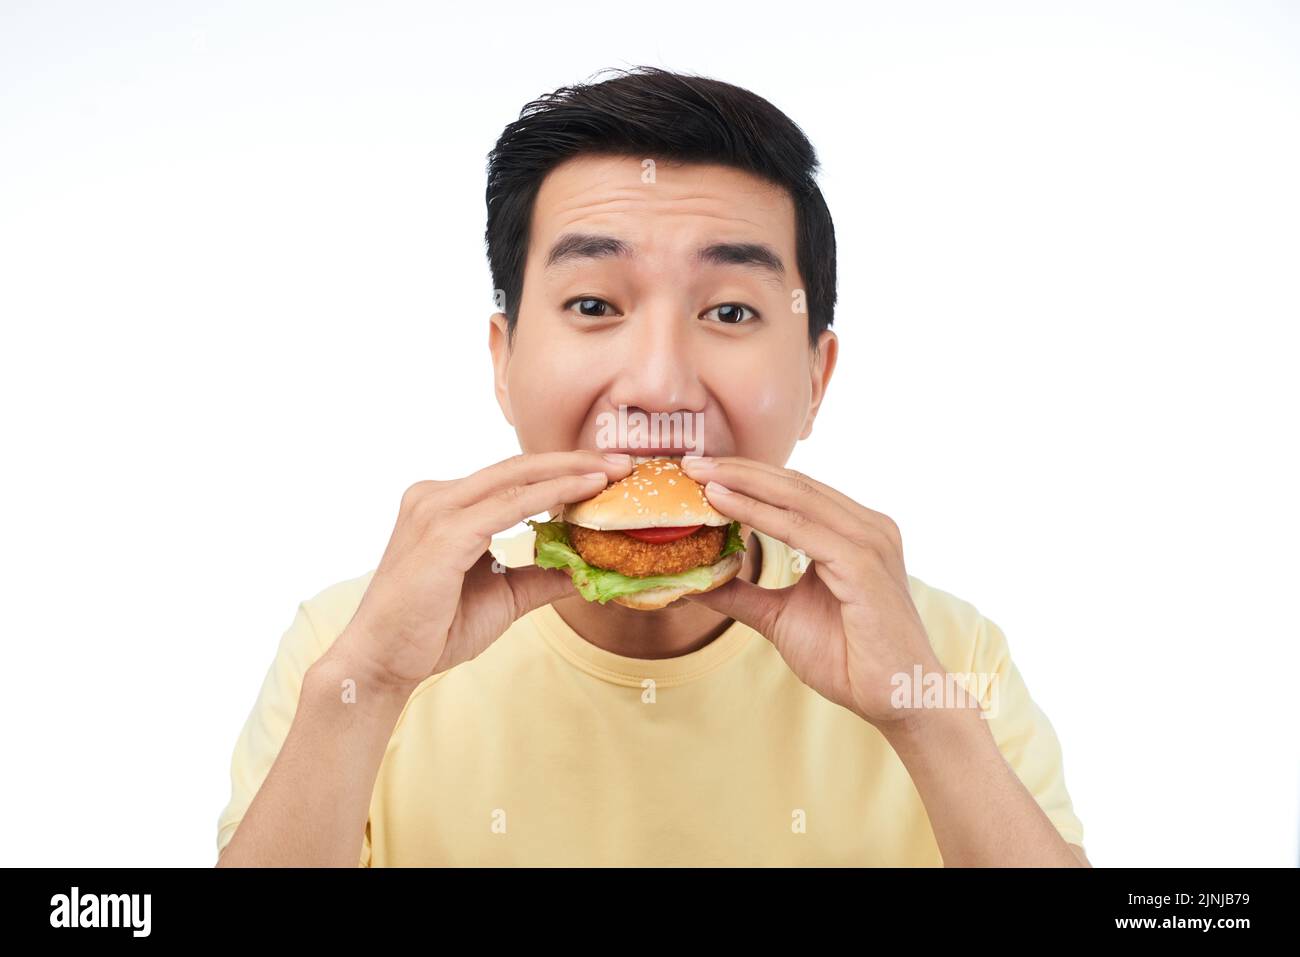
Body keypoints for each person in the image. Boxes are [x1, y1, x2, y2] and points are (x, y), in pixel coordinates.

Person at [215, 66, 1089, 867]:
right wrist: (366, 687)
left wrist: (925, 715)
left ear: (815, 380)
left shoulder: (942, 652)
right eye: (594, 303)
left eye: (732, 310)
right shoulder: (350, 647)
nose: (660, 382)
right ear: (503, 361)